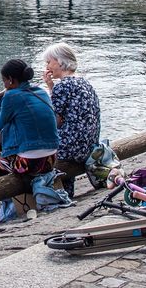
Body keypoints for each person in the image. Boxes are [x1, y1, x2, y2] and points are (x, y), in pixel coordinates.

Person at [0, 58, 59, 227]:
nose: (4, 84)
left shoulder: (11, 96)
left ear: (10, 80)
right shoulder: (41, 92)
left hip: (28, 164)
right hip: (50, 160)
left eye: (4, 80)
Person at [42, 42, 101, 198]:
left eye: (49, 62)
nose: (47, 66)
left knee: (41, 147)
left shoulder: (63, 86)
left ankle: (59, 194)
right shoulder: (84, 82)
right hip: (89, 145)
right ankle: (66, 191)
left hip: (72, 148)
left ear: (60, 62)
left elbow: (56, 121)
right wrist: (50, 86)